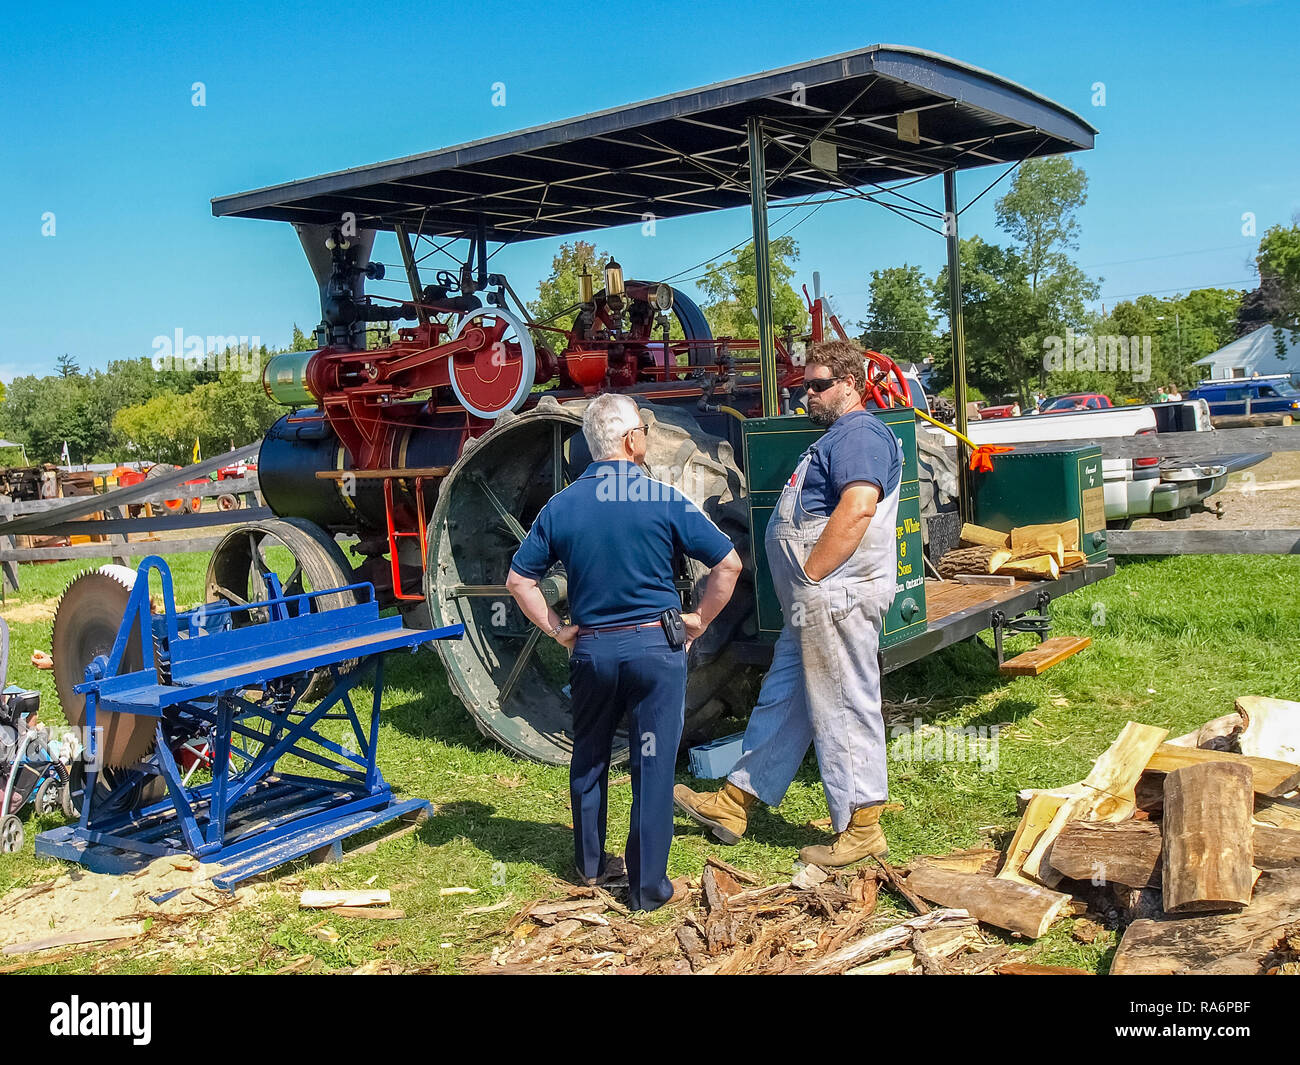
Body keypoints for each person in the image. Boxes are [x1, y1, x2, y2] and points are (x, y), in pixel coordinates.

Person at [506, 393, 742, 911]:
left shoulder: (561, 505)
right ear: (631, 439)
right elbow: (728, 565)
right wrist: (699, 621)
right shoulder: (663, 497)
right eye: (643, 432)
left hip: (593, 651)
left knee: (589, 755)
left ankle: (590, 867)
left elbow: (519, 580)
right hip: (655, 650)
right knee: (652, 762)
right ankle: (646, 888)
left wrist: (557, 630)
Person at [674, 339, 903, 867]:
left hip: (834, 596)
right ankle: (735, 803)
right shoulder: (836, 436)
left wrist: (813, 574)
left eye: (819, 385)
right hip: (817, 602)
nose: (808, 395)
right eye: (806, 385)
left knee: (845, 701)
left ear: (851, 384)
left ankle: (862, 824)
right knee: (786, 696)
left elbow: (859, 505)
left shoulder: (859, 434)